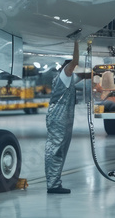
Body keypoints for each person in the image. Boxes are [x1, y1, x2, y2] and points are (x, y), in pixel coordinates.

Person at [45, 39, 80, 194]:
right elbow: (75, 61)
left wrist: (98, 71)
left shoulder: (67, 78)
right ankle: (53, 185)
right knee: (55, 150)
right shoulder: (65, 74)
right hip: (58, 118)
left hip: (62, 118)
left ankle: (54, 183)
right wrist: (77, 42)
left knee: (60, 150)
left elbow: (83, 75)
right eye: (73, 67)